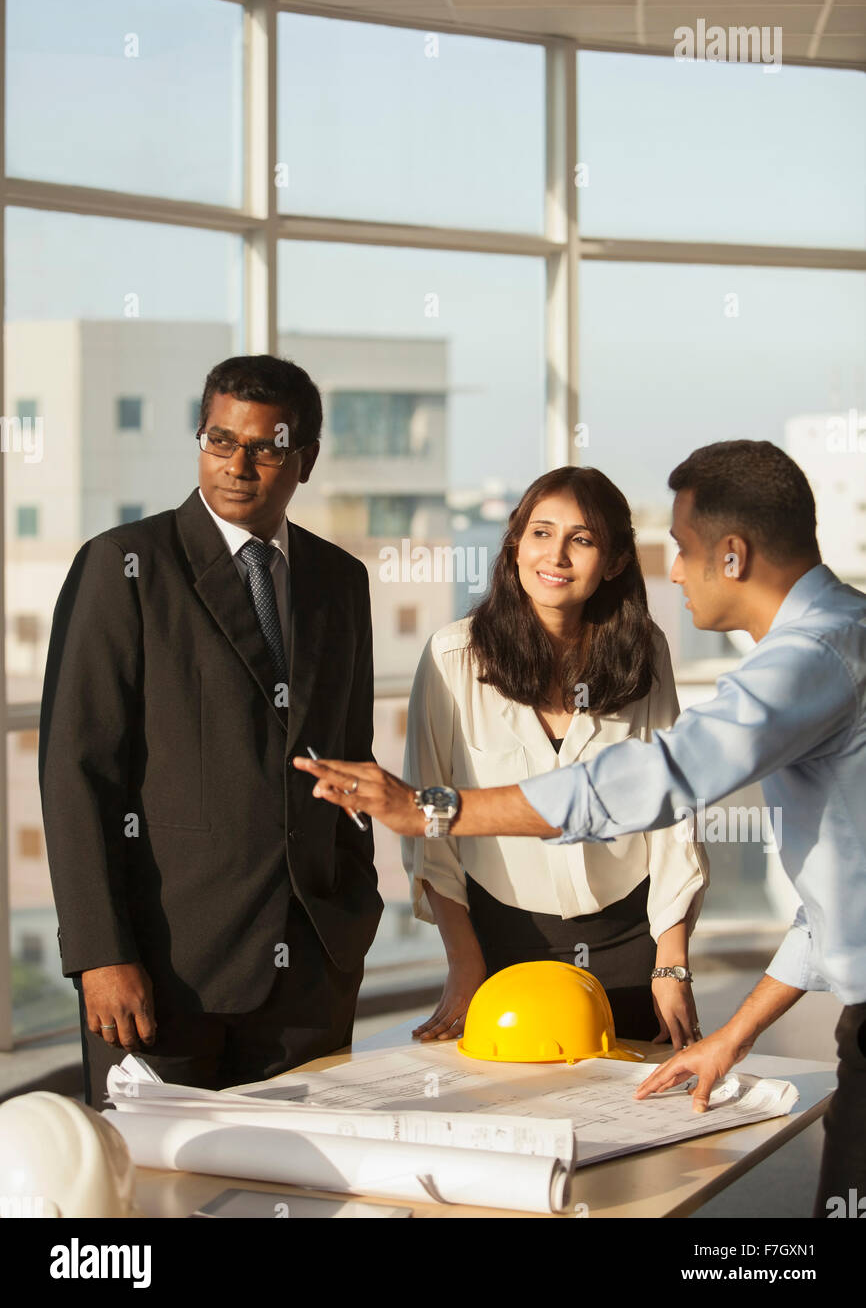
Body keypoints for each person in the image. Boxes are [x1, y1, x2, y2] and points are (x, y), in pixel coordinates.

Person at [293, 439, 865, 1219]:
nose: (673, 571)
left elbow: (664, 781)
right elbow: (837, 908)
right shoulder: (839, 637)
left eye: (683, 549)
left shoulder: (812, 658)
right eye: (540, 533)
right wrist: (734, 1037)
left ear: (732, 556)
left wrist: (439, 807)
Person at [40, 354, 382, 1110]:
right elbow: (76, 771)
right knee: (164, 1176)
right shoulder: (124, 565)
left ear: (305, 460)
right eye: (220, 440)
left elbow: (350, 759)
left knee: (306, 1170)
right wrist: (100, 954)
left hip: (311, 976)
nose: (237, 465)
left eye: (264, 448)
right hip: (162, 978)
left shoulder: (340, 581)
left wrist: (352, 918)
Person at [401, 466, 707, 1048]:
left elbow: (673, 815)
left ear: (614, 561)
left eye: (582, 539)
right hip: (501, 941)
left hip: (632, 938)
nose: (557, 556)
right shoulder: (452, 657)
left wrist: (671, 964)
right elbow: (429, 825)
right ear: (516, 543)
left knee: (636, 1100)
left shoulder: (646, 651)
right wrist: (464, 962)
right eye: (541, 533)